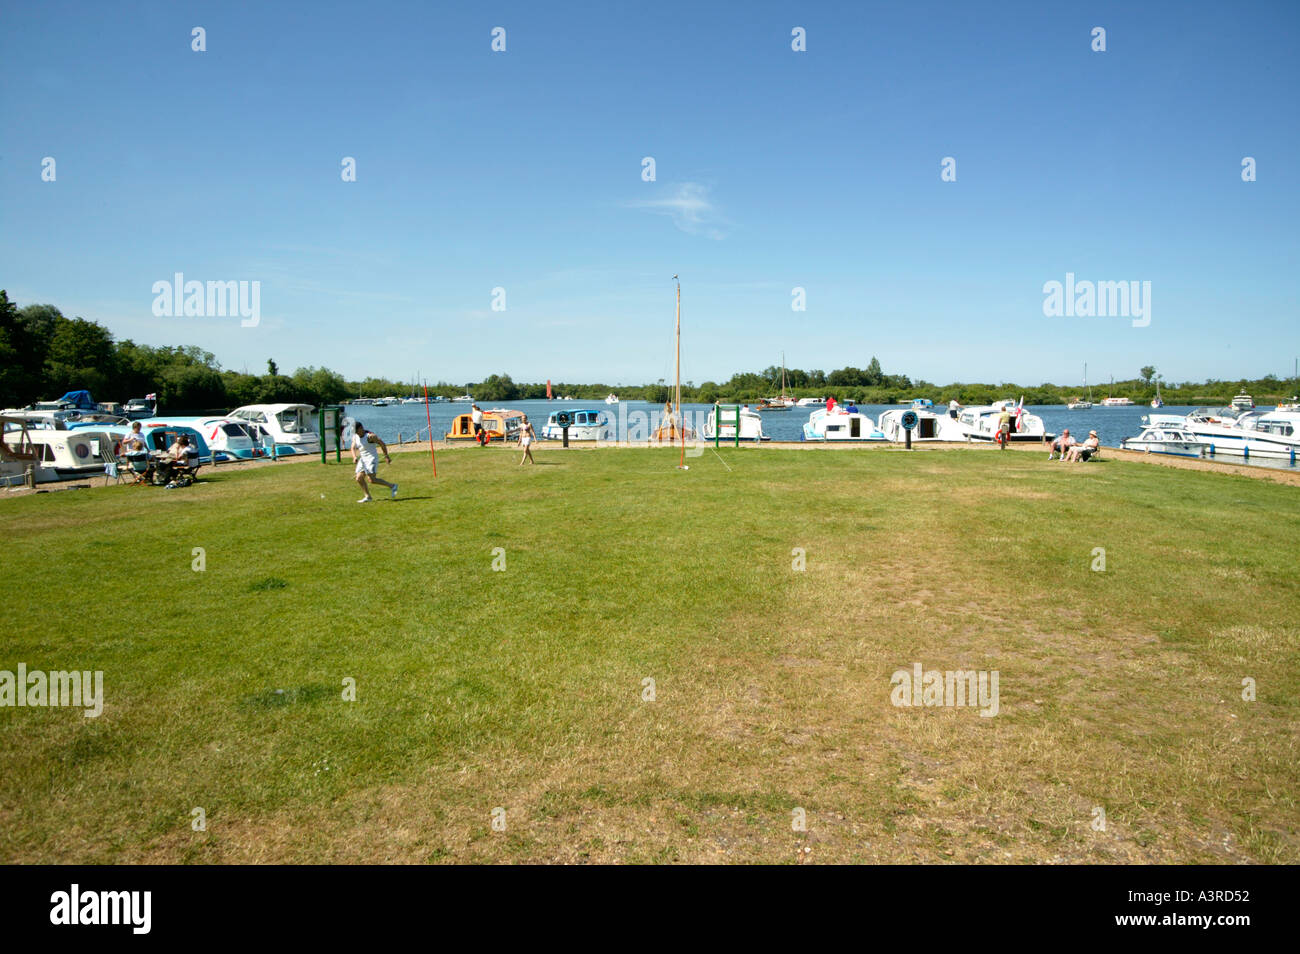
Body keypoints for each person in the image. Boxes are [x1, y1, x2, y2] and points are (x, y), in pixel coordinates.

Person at [351, 422, 397, 502]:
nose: (356, 433)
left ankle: (392, 486)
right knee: (359, 478)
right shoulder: (355, 436)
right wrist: (354, 457)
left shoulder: (370, 436)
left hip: (371, 458)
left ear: (361, 428)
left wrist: (386, 456)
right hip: (363, 459)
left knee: (372, 480)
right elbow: (352, 447)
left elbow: (382, 444)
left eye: (357, 431)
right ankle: (368, 497)